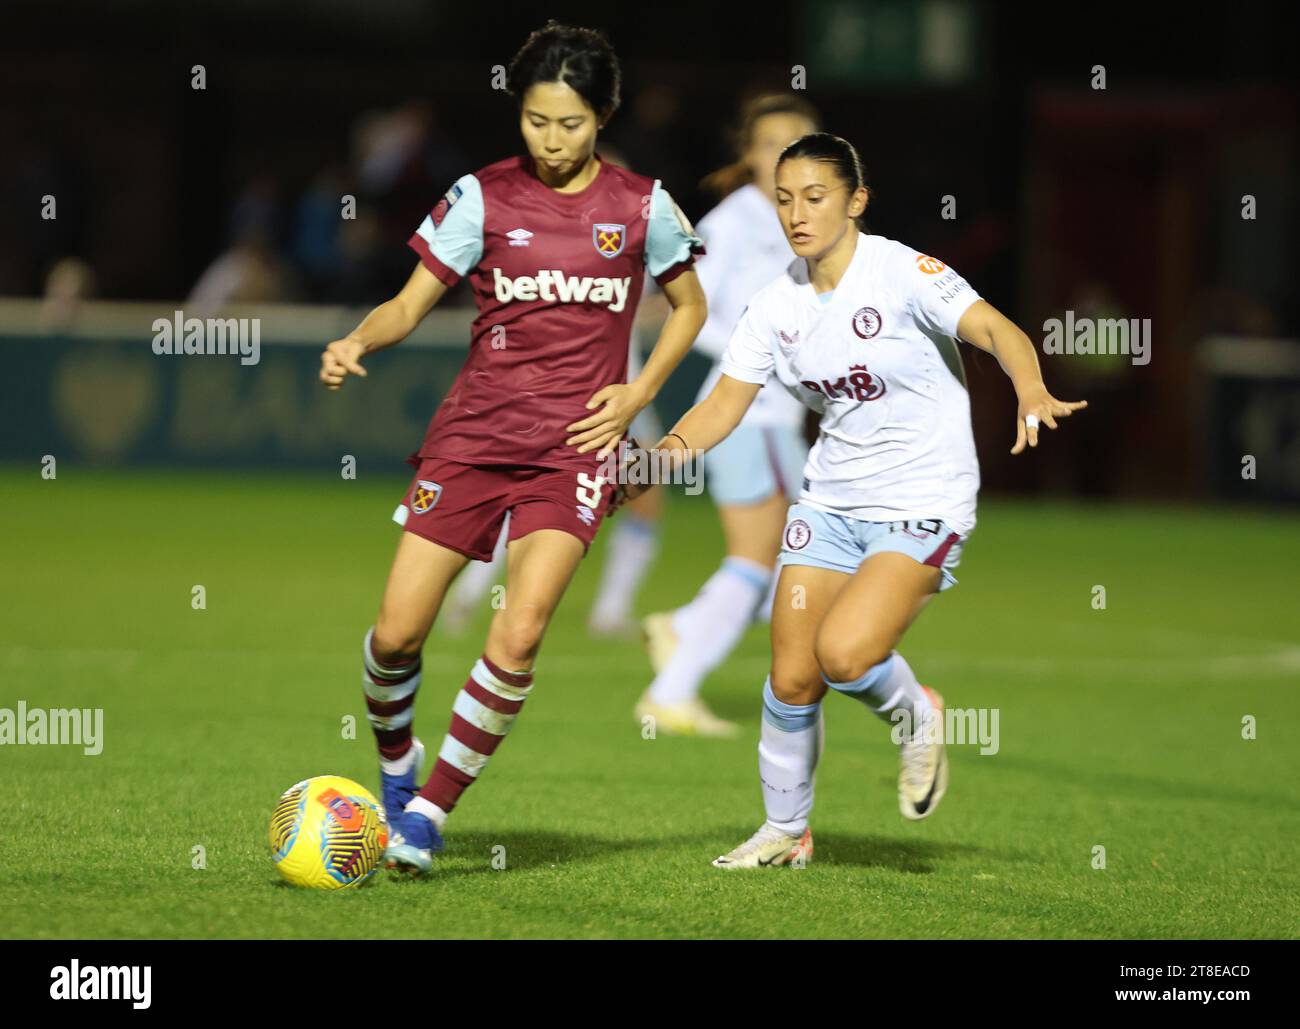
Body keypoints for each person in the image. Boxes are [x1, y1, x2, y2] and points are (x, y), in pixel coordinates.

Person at [619, 132, 1086, 868]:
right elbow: (724, 405)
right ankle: (785, 830)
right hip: (830, 501)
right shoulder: (776, 304)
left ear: (856, 200)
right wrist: (658, 459)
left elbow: (994, 326)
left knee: (846, 654)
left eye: (815, 197)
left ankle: (918, 714)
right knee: (792, 671)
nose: (797, 214)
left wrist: (1028, 384)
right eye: (783, 199)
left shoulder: (903, 272)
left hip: (923, 497)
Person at [318, 21, 706, 875]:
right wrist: (358, 341)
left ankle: (424, 816)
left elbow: (691, 307)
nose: (552, 140)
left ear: (603, 113)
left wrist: (640, 393)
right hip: (472, 438)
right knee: (394, 636)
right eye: (536, 121)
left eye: (570, 123)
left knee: (520, 634)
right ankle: (396, 768)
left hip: (575, 449)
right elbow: (407, 303)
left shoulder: (643, 205)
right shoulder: (482, 196)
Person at [636, 93, 820, 738]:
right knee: (765, 561)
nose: (784, 159)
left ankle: (684, 629)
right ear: (749, 155)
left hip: (778, 417)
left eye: (797, 145)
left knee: (795, 565)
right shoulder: (735, 221)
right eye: (771, 145)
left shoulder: (797, 223)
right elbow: (691, 310)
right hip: (751, 411)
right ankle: (671, 690)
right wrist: (762, 347)